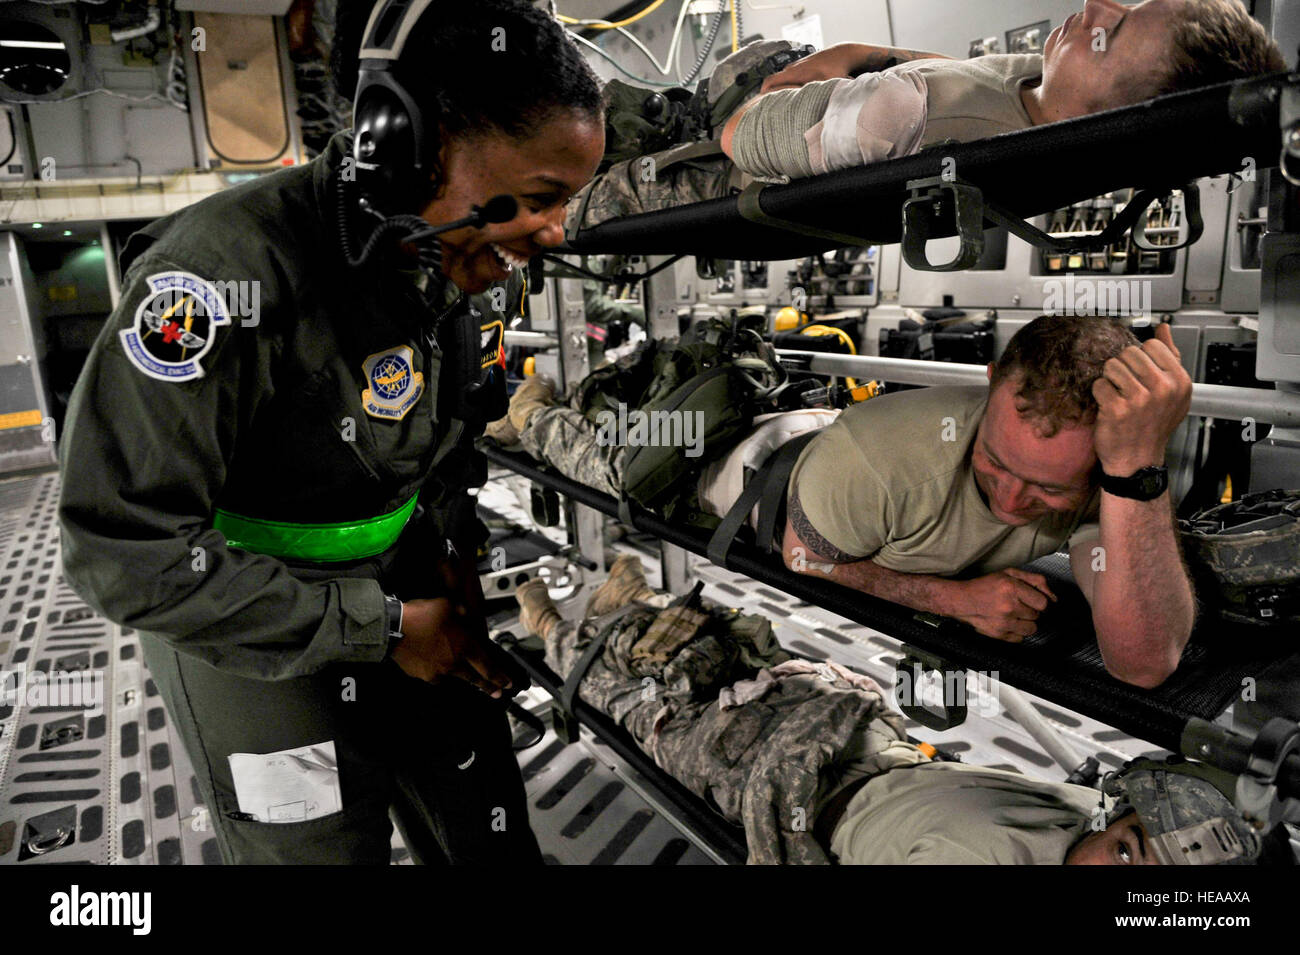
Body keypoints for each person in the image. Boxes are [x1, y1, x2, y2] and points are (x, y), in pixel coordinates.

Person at [56, 0, 605, 864]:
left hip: (409, 591)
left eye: (566, 201)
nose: (554, 231)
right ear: (402, 151)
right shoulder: (219, 277)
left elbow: (449, 437)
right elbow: (121, 548)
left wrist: (447, 563)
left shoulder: (467, 261)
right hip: (247, 612)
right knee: (314, 845)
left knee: (484, 820)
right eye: (540, 200)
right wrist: (379, 627)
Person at [514, 557, 1287, 865]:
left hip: (786, 786)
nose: (1116, 860)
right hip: (860, 740)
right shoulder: (1095, 820)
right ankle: (631, 604)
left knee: (650, 703)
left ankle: (553, 629)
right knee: (734, 653)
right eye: (1125, 845)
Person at [568, 0, 1285, 232]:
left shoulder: (905, 117)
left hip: (689, 157)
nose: (1097, 6)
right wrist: (853, 57)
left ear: (1132, 108)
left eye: (1115, 31)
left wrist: (824, 66)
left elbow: (741, 134)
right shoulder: (1032, 108)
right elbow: (938, 73)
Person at [783, 316, 1195, 689]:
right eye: (994, 461)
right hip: (766, 460)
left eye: (1050, 489)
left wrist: (1137, 467)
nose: (1011, 503)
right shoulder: (871, 459)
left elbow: (1143, 664)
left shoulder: (1115, 464)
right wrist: (954, 600)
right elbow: (801, 557)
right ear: (992, 381)